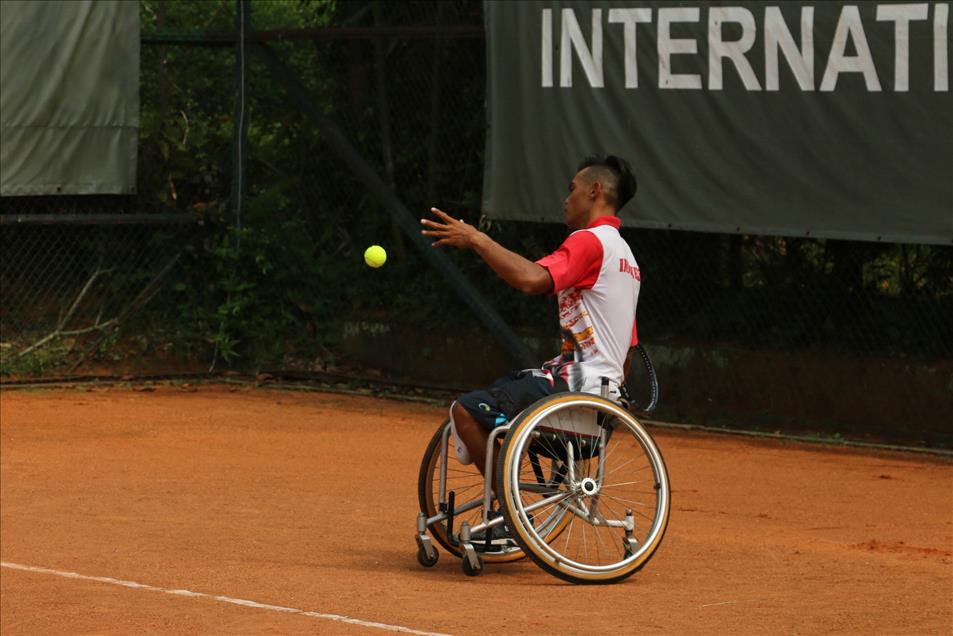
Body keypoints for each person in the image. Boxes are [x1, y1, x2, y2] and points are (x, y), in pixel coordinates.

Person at [420, 154, 641, 538]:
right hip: (598, 395)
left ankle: (509, 516)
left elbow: (533, 279)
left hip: (577, 388)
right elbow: (629, 350)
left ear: (595, 190)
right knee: (498, 403)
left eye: (572, 189)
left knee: (467, 411)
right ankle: (505, 467)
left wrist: (477, 239)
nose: (566, 198)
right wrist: (609, 406)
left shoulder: (591, 241)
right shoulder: (627, 257)